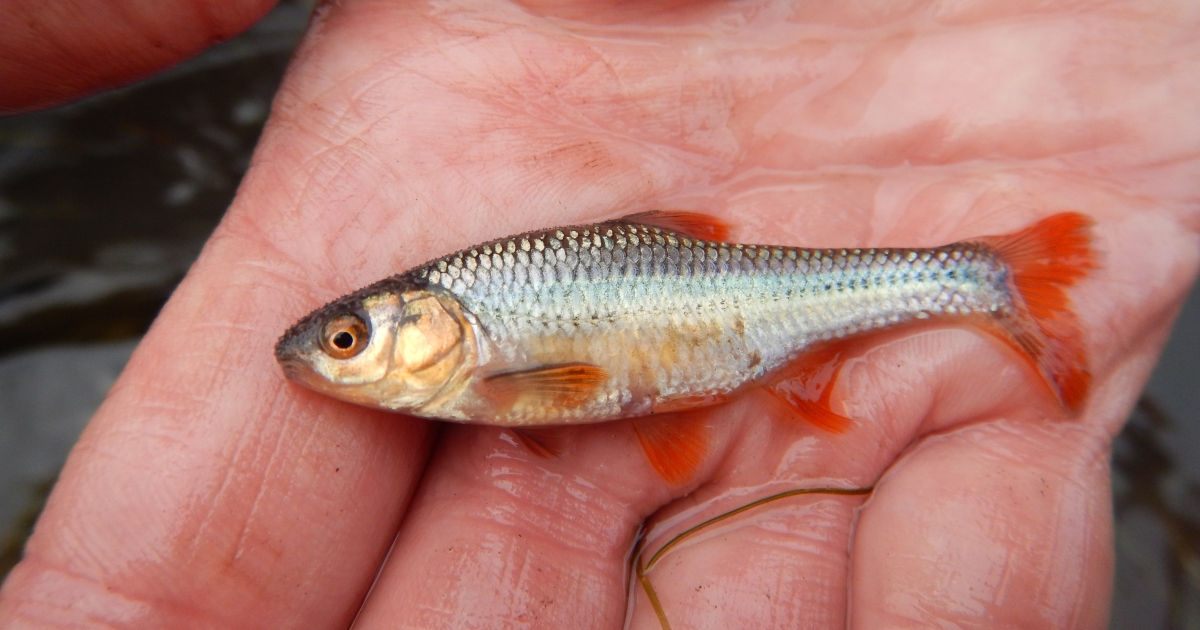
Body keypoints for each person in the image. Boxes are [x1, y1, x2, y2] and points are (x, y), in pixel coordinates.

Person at [2, 0, 1196, 627]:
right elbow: (572, 391)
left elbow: (567, 392)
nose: (334, 356)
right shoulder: (481, 342)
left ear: (425, 326)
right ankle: (983, 281)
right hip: (703, 341)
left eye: (350, 340)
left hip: (720, 328)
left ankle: (982, 279)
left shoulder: (482, 350)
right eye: (342, 343)